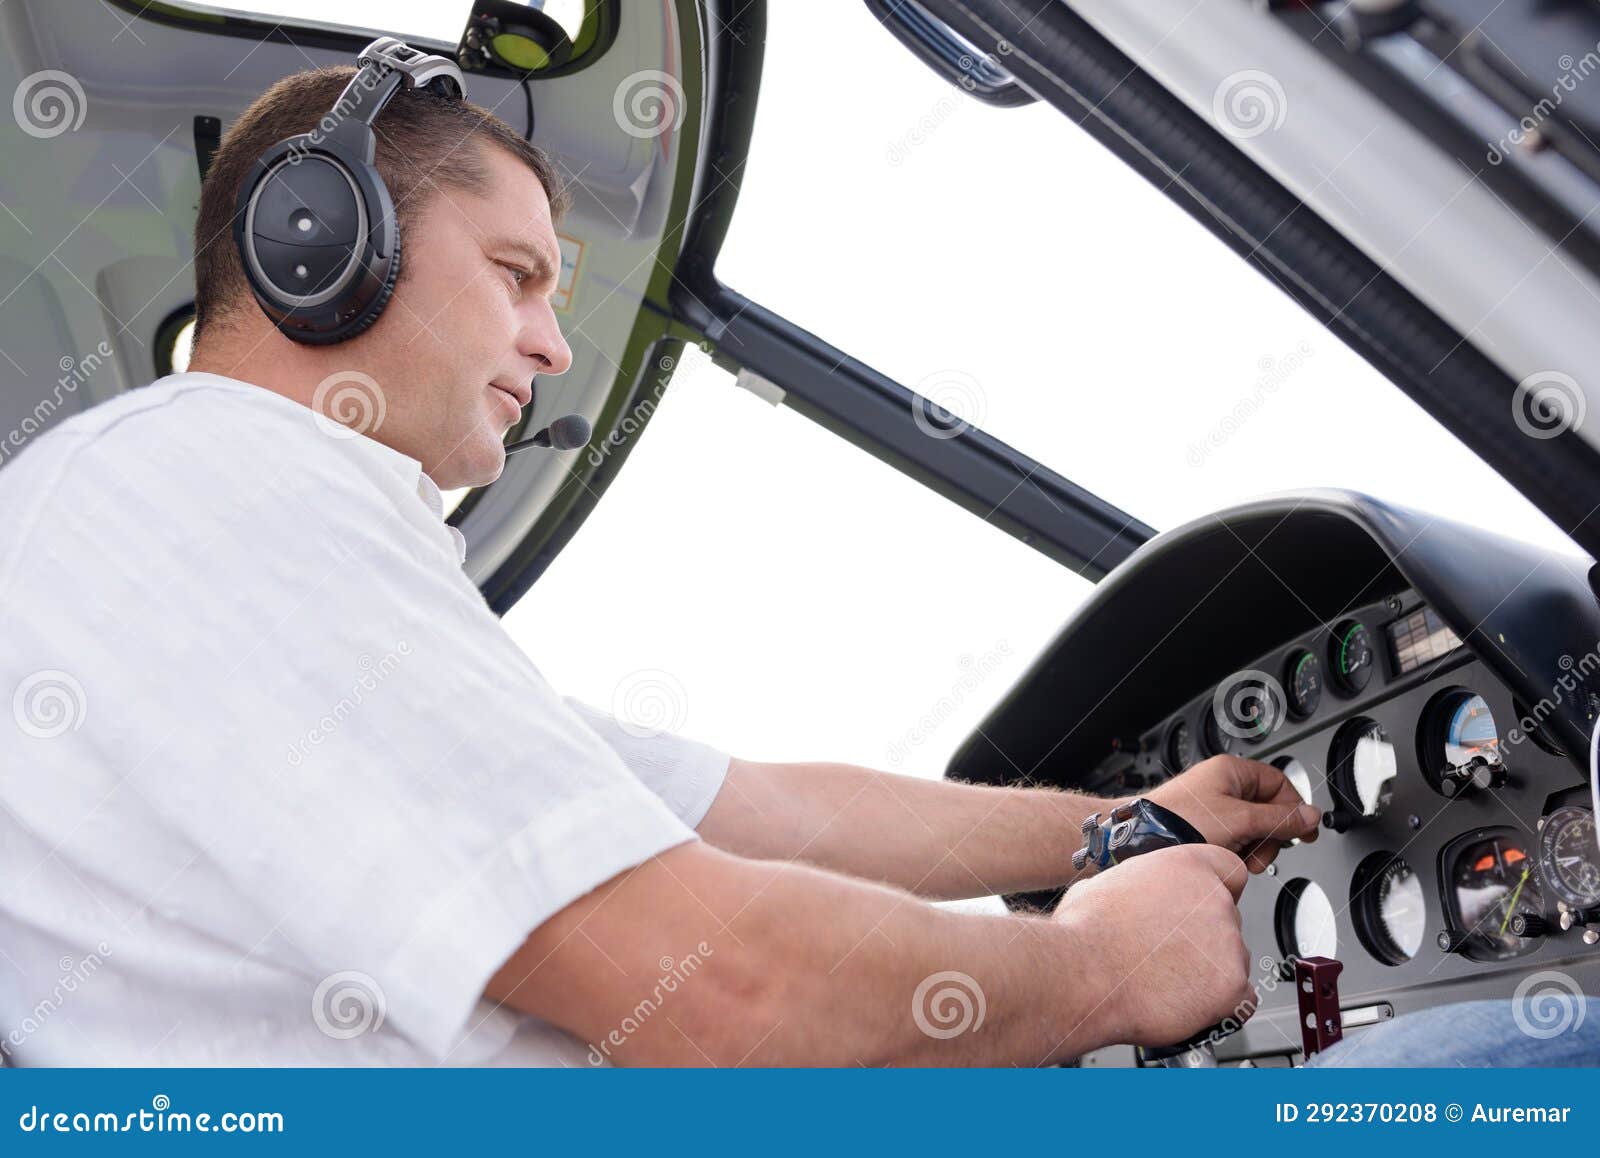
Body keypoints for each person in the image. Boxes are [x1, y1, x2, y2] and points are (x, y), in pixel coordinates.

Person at [0, 57, 1321, 1067]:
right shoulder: (208, 494)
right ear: (321, 240)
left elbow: (752, 810)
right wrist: (1101, 970)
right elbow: (722, 984)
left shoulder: (213, 527)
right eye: (518, 274)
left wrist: (1117, 831)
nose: (553, 344)